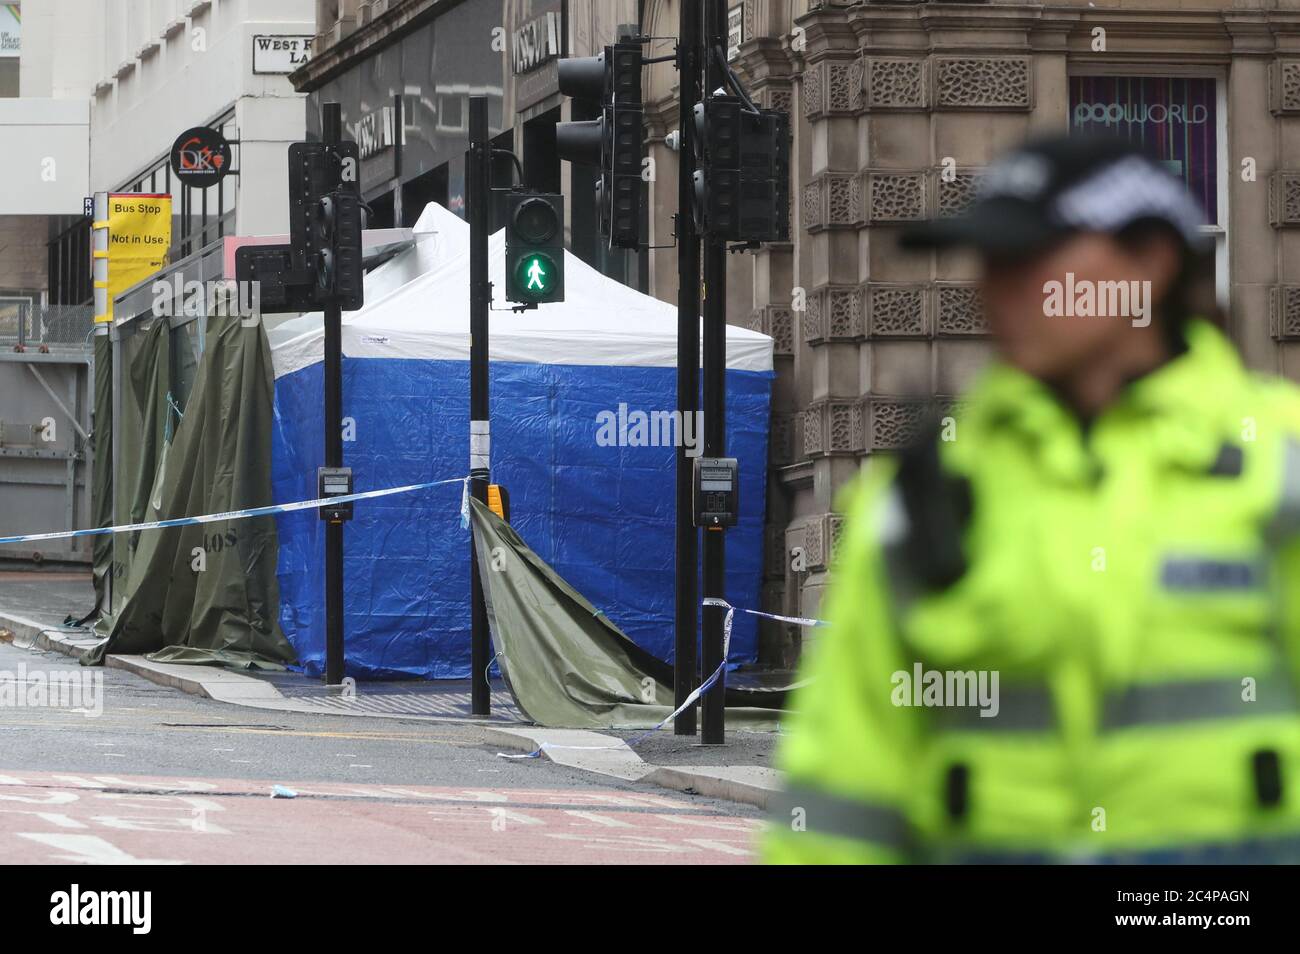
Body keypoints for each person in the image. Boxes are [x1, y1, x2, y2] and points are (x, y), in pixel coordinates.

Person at [763, 134, 1300, 864]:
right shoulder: (926, 494)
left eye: (1030, 259)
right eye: (992, 262)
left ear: (1148, 265)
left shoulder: (1279, 459)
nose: (998, 288)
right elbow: (845, 787)